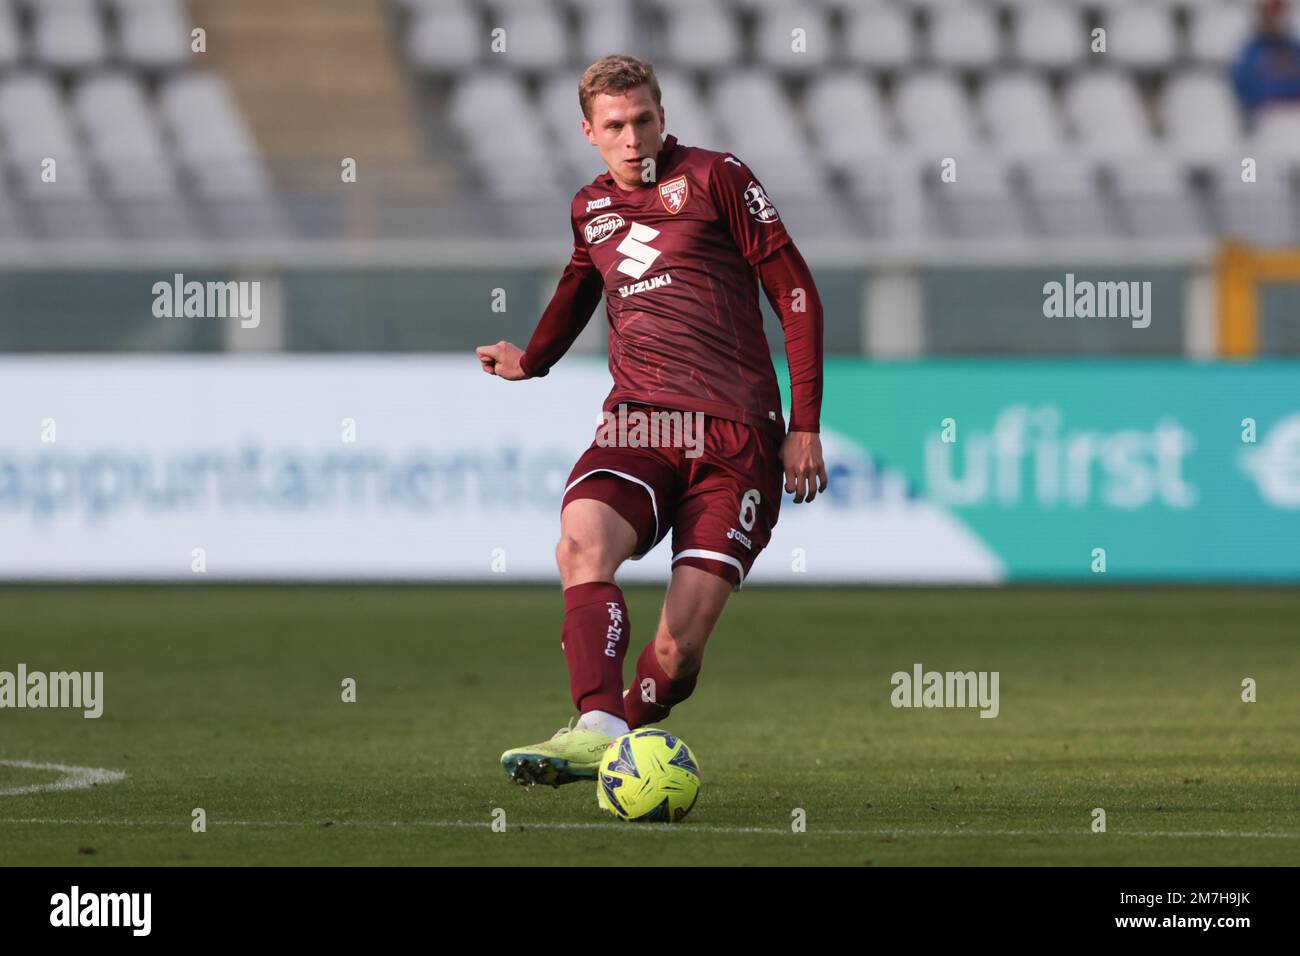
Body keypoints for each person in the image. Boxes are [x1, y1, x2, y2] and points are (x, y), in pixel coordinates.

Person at [476, 54, 826, 787]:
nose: (631, 138)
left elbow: (795, 294)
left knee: (677, 656)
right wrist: (532, 362)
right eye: (615, 126)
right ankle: (595, 723)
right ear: (589, 131)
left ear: (663, 117)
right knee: (580, 541)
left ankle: (620, 731)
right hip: (641, 423)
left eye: (642, 120)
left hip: (736, 436)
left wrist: (805, 424)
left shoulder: (717, 178)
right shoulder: (590, 209)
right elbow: (579, 286)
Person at [1231, 0, 1300, 115]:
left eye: (1278, 13)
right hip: (1264, 120)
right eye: (1269, 13)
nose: (1275, 19)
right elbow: (1245, 90)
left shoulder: (1295, 49)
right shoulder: (1249, 53)